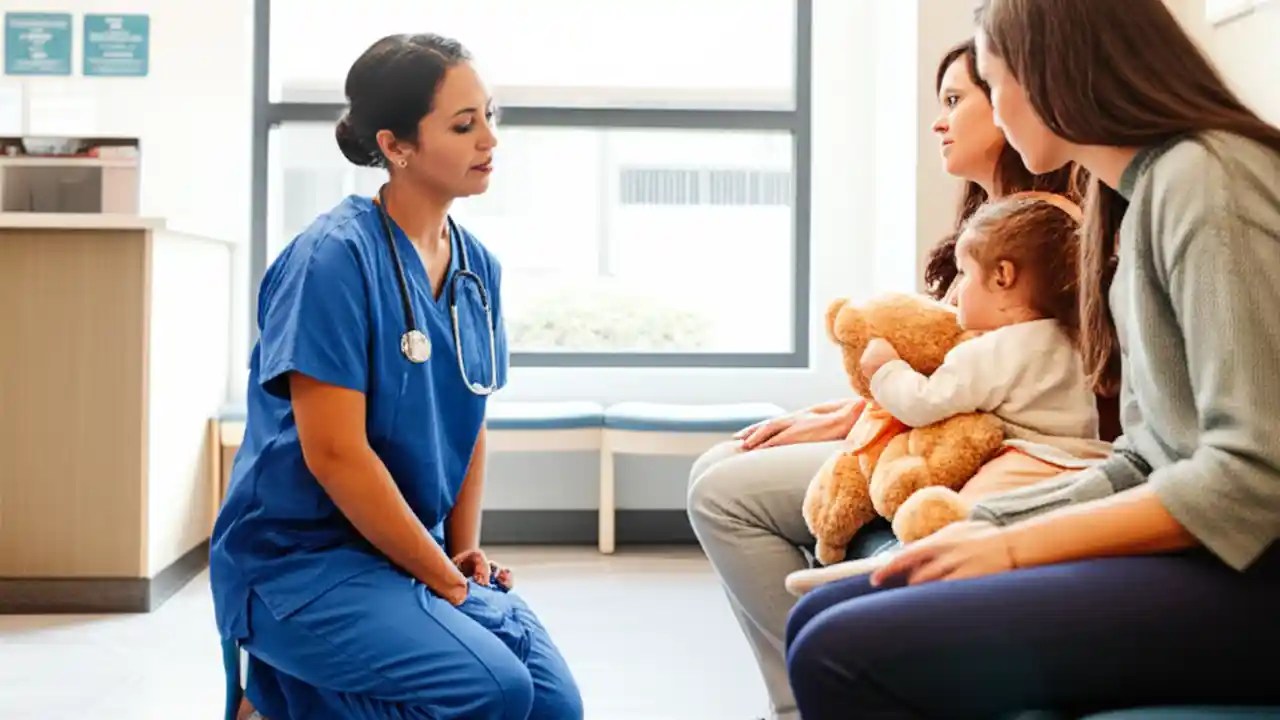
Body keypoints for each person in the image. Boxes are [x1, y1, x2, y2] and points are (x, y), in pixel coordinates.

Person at [785, 0, 1280, 717]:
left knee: (841, 648)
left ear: (1048, 72)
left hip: (1255, 572)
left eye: (989, 79)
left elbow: (1253, 475)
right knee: (817, 619)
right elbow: (1145, 460)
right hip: (1220, 555)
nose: (988, 102)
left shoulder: (1207, 180)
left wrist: (1016, 549)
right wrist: (986, 524)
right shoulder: (1136, 199)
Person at [685, 38, 1088, 720]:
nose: (939, 121)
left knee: (724, 491)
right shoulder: (978, 239)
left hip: (991, 444)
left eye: (957, 100)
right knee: (722, 464)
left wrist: (847, 418)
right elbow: (939, 360)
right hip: (942, 423)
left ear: (1014, 101)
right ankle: (802, 695)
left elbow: (978, 382)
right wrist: (840, 412)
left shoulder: (1051, 242)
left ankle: (817, 694)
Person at [209, 34, 582, 720]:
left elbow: (470, 418)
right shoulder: (330, 261)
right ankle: (278, 700)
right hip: (300, 561)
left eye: (491, 116)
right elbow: (334, 455)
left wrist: (463, 550)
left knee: (554, 709)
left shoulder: (477, 270)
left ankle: (296, 699)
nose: (489, 140)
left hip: (408, 547)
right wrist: (447, 584)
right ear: (398, 145)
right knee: (492, 692)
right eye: (464, 125)